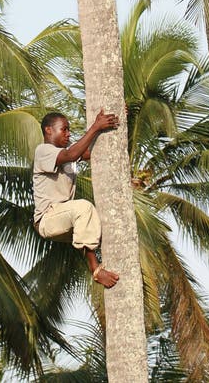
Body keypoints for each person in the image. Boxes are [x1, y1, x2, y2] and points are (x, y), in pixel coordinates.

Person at [32, 108, 120, 288]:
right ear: (48, 130)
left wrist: (119, 118)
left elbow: (93, 151)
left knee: (103, 222)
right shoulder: (44, 150)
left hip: (65, 219)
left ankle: (109, 263)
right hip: (47, 219)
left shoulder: (66, 153)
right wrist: (96, 127)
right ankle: (95, 269)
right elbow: (72, 154)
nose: (68, 133)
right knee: (84, 208)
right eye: (63, 129)